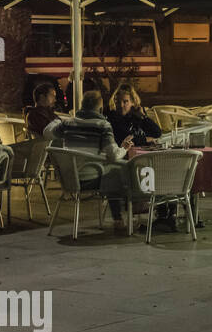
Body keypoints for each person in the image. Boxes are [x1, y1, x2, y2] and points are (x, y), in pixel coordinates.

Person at [45, 90, 130, 228]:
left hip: (68, 179)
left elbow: (47, 133)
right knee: (118, 171)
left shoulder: (68, 123)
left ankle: (120, 218)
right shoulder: (102, 125)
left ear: (82, 106)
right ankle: (120, 218)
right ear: (101, 108)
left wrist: (57, 119)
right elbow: (113, 155)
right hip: (88, 179)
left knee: (113, 171)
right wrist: (124, 149)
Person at [106, 84, 162, 149]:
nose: (121, 105)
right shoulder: (112, 117)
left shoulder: (136, 116)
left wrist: (143, 117)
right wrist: (146, 139)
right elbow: (123, 139)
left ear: (133, 102)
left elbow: (157, 133)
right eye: (118, 102)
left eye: (125, 102)